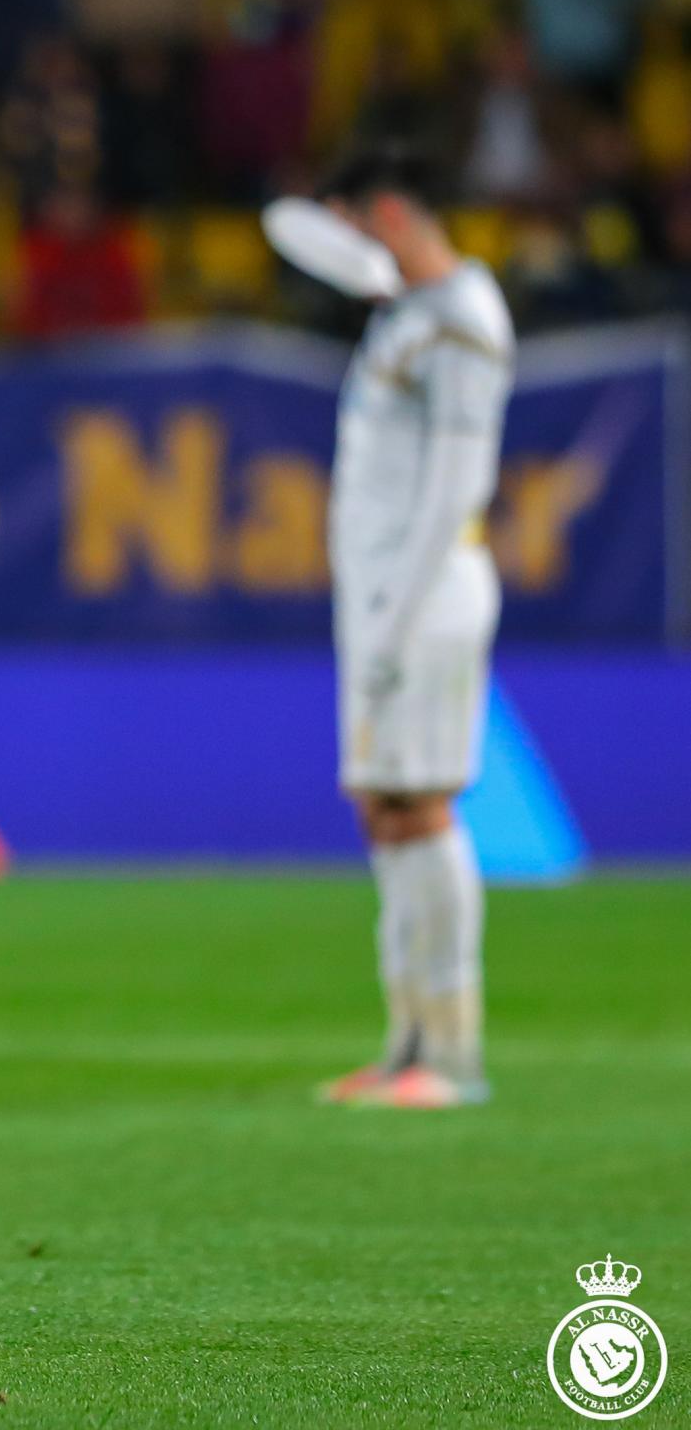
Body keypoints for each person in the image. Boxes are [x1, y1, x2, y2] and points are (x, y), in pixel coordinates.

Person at [307, 145, 514, 1110]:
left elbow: (455, 484)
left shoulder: (463, 319)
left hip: (425, 595)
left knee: (424, 804)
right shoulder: (407, 317)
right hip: (380, 594)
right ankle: (404, 1044)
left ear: (387, 213)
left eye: (352, 226)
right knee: (382, 808)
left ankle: (454, 1054)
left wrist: (398, 611)